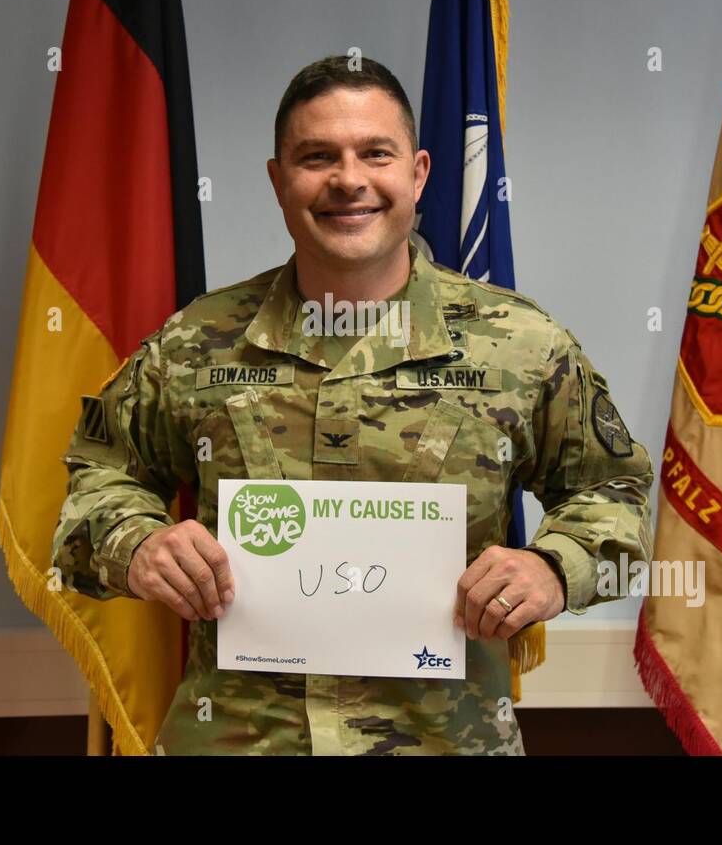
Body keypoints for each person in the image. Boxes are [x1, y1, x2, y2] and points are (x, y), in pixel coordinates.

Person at [51, 55, 654, 755]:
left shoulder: (518, 345)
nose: (348, 180)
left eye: (375, 153)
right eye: (316, 157)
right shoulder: (197, 343)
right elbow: (96, 476)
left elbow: (615, 491)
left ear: (419, 173)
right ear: (278, 181)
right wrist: (139, 545)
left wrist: (555, 568)